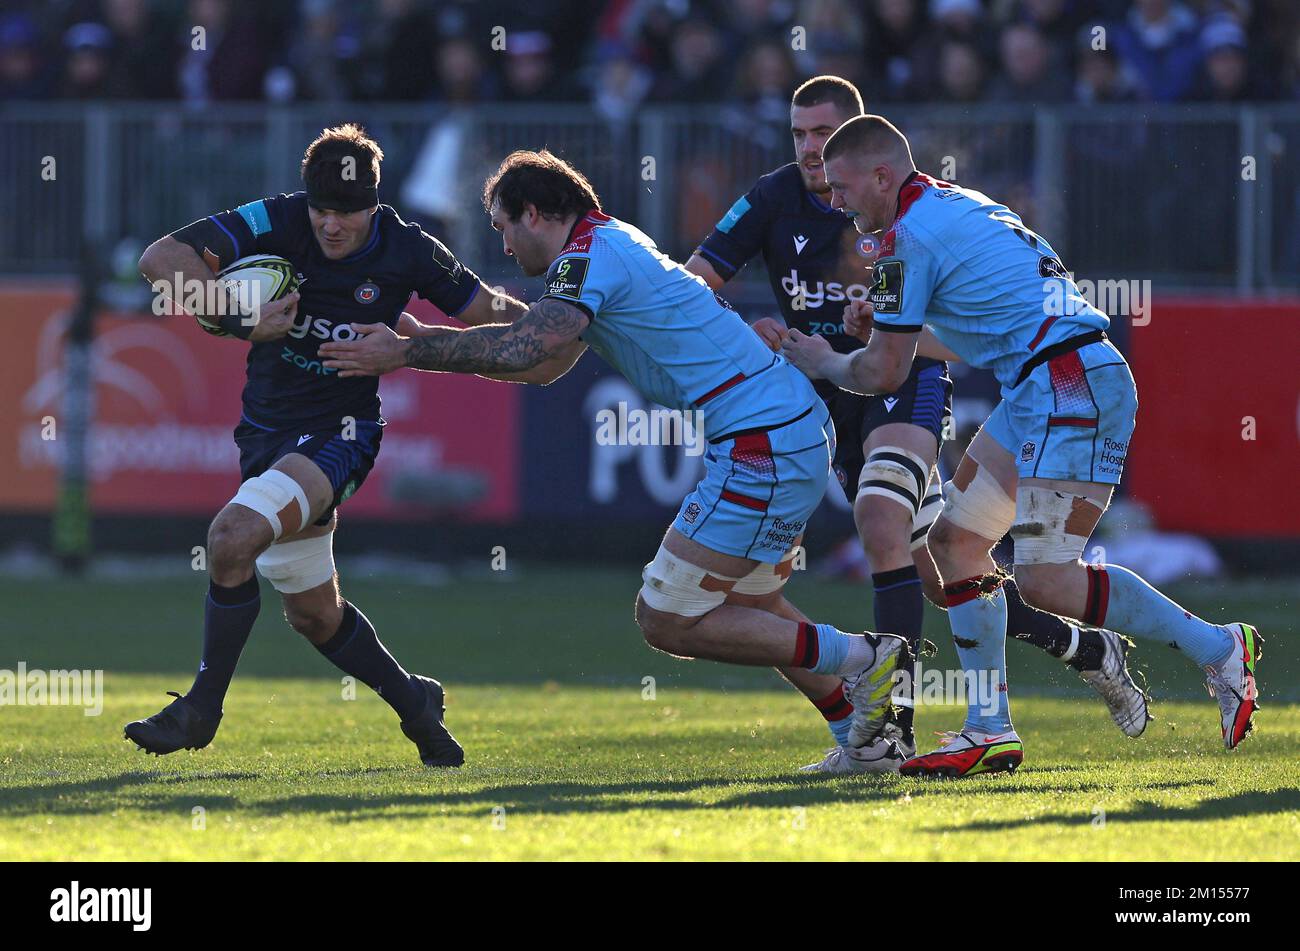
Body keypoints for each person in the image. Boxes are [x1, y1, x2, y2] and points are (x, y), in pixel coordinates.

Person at [320, 149, 913, 763]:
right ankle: (866, 740)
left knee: (666, 616)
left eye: (501, 227)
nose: (503, 246)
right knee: (748, 604)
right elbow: (547, 362)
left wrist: (409, 353)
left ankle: (864, 657)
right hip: (782, 430)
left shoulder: (588, 258)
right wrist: (422, 341)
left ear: (532, 213)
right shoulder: (605, 244)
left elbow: (528, 347)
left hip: (763, 440)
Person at [687, 76, 1148, 772]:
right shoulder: (770, 198)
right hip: (839, 394)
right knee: (942, 575)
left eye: (822, 133)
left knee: (879, 518)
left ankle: (888, 732)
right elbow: (694, 285)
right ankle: (1084, 647)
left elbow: (907, 345)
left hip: (902, 378)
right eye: (799, 133)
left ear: (855, 138)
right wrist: (739, 329)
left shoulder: (897, 207)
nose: (810, 148)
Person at [781, 114, 1262, 777]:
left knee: (1044, 578)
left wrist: (822, 359)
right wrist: (893, 331)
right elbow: (980, 335)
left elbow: (882, 373)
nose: (833, 201)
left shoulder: (902, 242)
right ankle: (989, 729)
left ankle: (1218, 645)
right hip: (1047, 379)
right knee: (954, 542)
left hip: (1069, 383)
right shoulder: (952, 205)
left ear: (882, 176)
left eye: (840, 187)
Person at [125, 124, 561, 766]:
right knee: (314, 616)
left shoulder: (409, 247)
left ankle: (200, 709)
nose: (332, 226)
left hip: (340, 437)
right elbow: (159, 263)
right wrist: (233, 312)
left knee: (230, 538)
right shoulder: (275, 219)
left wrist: (566, 321)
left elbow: (482, 309)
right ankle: (415, 702)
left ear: (374, 207)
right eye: (322, 210)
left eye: (348, 214)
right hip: (265, 435)